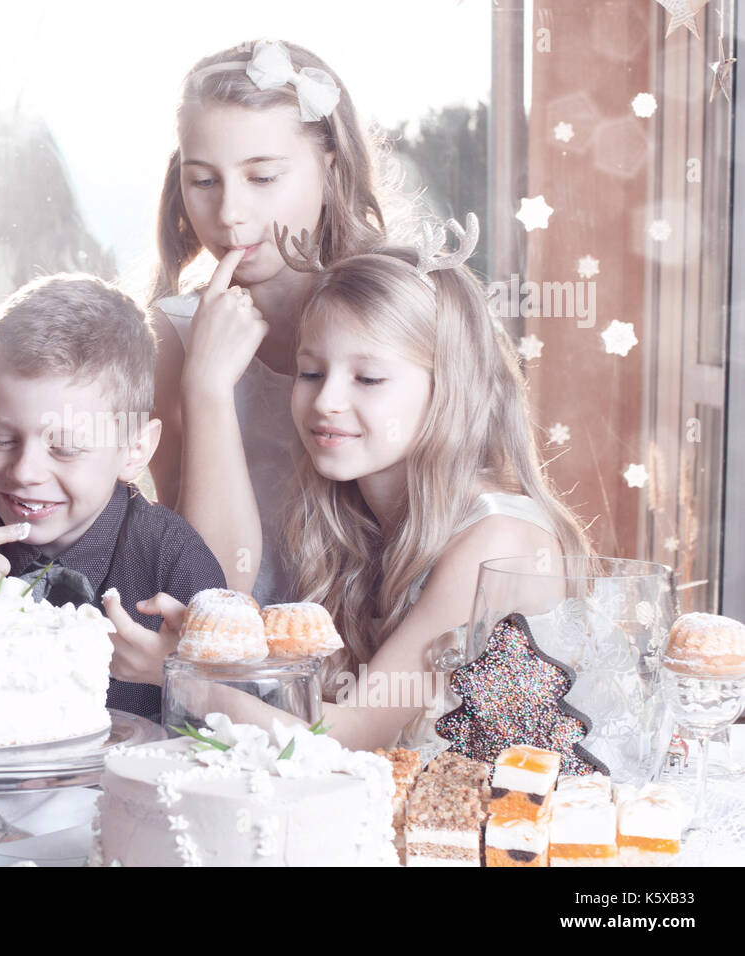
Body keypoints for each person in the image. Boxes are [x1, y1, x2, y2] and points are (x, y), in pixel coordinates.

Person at [105, 220, 591, 750]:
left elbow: (354, 737)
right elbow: (314, 722)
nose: (326, 401)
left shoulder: (497, 541)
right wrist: (219, 657)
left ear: (449, 389)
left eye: (368, 378)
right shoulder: (357, 524)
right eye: (311, 373)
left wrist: (182, 678)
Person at [148, 38, 390, 605]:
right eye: (204, 181)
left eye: (262, 178)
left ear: (329, 171)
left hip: (376, 653)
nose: (230, 213)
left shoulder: (396, 316)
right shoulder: (170, 336)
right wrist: (205, 386)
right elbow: (208, 588)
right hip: (233, 656)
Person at [0, 274, 227, 719]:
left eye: (65, 448)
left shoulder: (176, 563)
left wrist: (176, 674)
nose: (25, 472)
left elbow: (235, 728)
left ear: (134, 451)